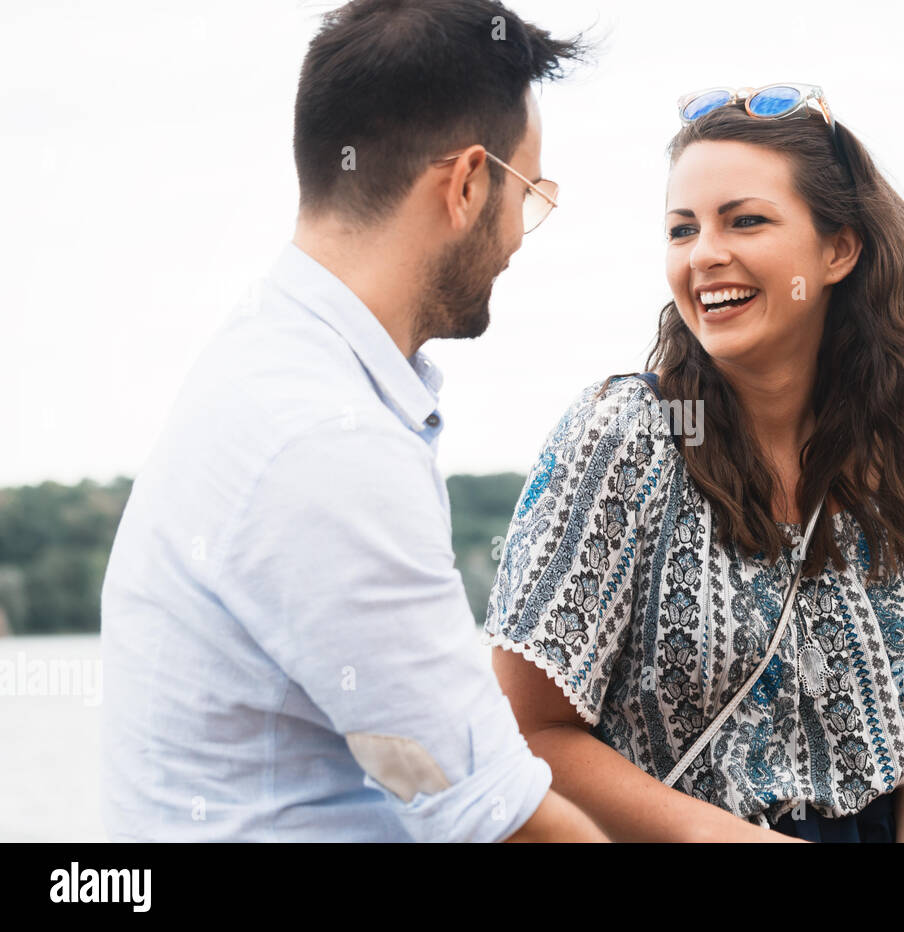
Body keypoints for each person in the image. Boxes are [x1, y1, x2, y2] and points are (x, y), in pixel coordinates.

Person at [99, 0, 608, 842]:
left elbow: (416, 762)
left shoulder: (271, 363)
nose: (523, 231)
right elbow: (499, 821)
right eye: (529, 191)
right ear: (468, 183)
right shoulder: (325, 441)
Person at [484, 84, 904, 842]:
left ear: (838, 249)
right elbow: (527, 733)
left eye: (745, 221)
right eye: (682, 230)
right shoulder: (625, 435)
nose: (706, 254)